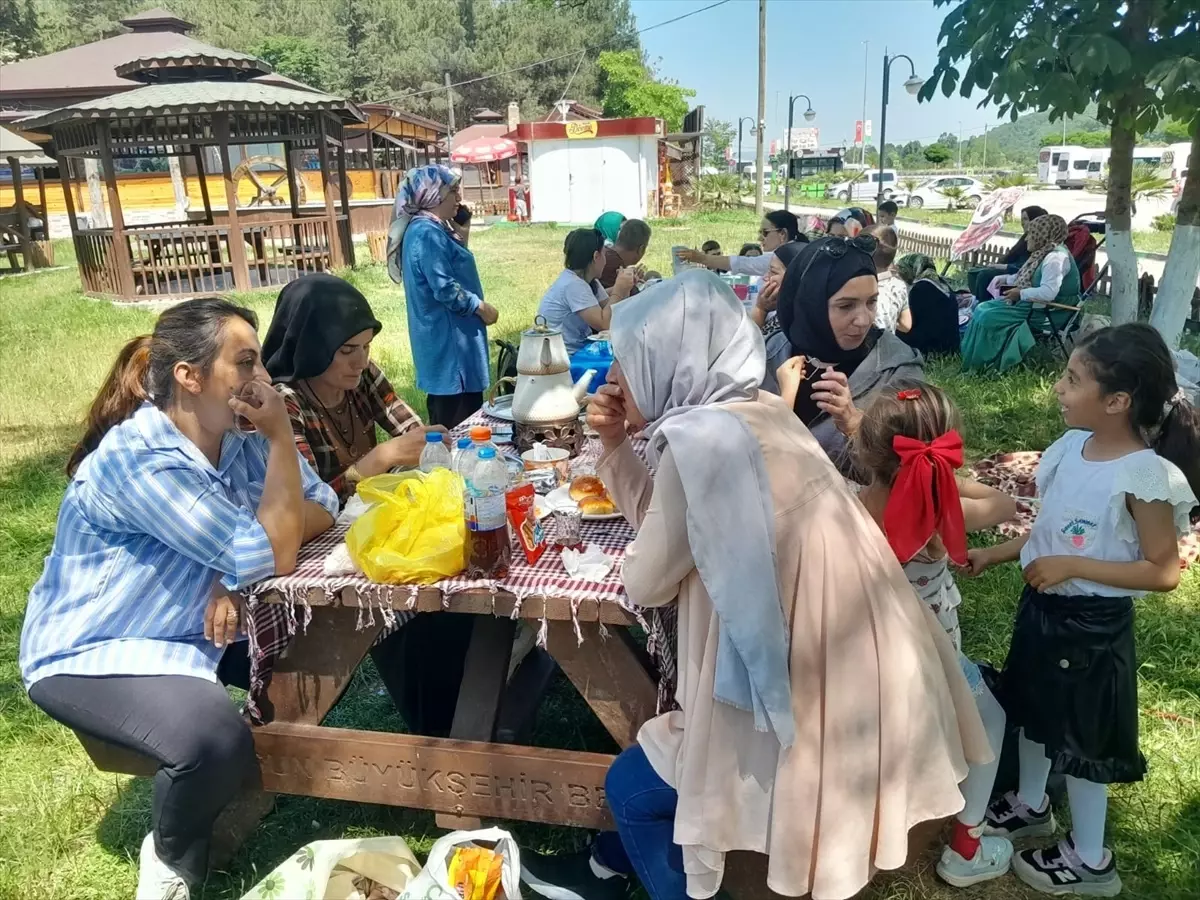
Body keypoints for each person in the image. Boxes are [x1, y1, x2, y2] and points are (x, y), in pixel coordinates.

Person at [520, 270, 991, 900]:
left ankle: (637, 876)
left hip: (799, 695)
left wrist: (616, 448)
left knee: (631, 790)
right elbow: (680, 524)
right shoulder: (760, 410)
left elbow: (649, 579)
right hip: (864, 670)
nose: (612, 379)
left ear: (670, 362)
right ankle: (611, 867)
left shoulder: (703, 442)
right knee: (655, 788)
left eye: (626, 362)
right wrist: (614, 444)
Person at [20, 299, 339, 900]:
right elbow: (276, 549)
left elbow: (323, 505)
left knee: (328, 638)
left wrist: (234, 570)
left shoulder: (235, 437)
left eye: (262, 364)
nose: (262, 383)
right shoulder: (142, 460)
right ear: (189, 377)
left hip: (192, 631)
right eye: (245, 364)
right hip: (96, 650)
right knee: (211, 741)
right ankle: (172, 863)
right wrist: (279, 448)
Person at [970, 324, 1200, 896]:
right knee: (1030, 708)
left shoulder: (1145, 476)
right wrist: (997, 552)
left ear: (1117, 402)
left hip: (1093, 631)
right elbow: (1052, 531)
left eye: (1072, 380)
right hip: (1043, 611)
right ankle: (1030, 802)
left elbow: (1163, 571)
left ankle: (1092, 860)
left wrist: (1075, 570)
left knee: (1082, 743)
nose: (1057, 388)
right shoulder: (1070, 447)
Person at [853, 382, 1020, 888]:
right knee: (988, 720)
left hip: (869, 653)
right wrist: (953, 482)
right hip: (934, 654)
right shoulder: (950, 512)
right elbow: (1007, 504)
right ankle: (966, 846)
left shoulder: (851, 508)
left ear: (868, 452)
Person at [263, 274, 445, 506]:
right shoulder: (285, 403)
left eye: (366, 347)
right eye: (347, 351)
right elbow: (308, 504)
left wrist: (429, 443)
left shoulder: (364, 375)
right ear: (311, 348)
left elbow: (411, 430)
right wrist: (382, 457)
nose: (360, 362)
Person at [769, 235, 925, 478]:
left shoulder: (897, 368)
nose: (863, 320)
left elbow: (909, 472)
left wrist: (855, 425)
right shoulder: (773, 352)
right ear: (810, 304)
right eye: (846, 306)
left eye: (871, 302)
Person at [391, 164, 499, 429]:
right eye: (453, 191)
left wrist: (462, 232)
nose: (459, 199)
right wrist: (482, 308)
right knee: (458, 429)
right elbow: (446, 289)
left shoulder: (432, 229)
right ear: (433, 195)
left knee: (458, 424)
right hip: (451, 352)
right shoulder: (427, 233)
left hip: (450, 347)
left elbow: (450, 266)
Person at [960, 214, 1081, 374]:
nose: (1026, 239)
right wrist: (1005, 278)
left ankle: (988, 365)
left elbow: (1048, 292)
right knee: (982, 308)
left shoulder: (1055, 258)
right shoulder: (1045, 252)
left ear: (1043, 235)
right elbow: (1031, 277)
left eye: (1031, 234)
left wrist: (1020, 293)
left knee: (987, 316)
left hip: (1050, 311)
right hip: (1036, 305)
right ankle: (973, 358)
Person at [538, 228, 637, 353]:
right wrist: (618, 289)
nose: (605, 261)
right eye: (604, 255)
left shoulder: (589, 281)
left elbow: (611, 310)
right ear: (596, 256)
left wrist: (625, 288)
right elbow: (604, 324)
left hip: (578, 351)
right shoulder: (573, 285)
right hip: (562, 357)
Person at [675, 209, 801, 278]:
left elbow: (740, 263)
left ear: (783, 234)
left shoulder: (780, 258)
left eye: (765, 232)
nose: (760, 238)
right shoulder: (800, 249)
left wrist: (700, 258)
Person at [969, 205, 1049, 303]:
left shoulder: (1040, 240)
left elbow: (1025, 265)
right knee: (973, 272)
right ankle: (976, 299)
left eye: (1026, 219)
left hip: (1017, 271)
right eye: (1022, 219)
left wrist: (1002, 266)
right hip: (1013, 270)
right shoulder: (1025, 237)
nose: (1023, 223)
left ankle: (982, 303)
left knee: (984, 275)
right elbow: (1012, 255)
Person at [748, 238, 806, 340]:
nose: (765, 277)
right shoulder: (784, 311)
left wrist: (760, 309)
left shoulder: (790, 325)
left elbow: (747, 346)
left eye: (773, 272)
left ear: (794, 278)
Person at [866, 224, 912, 333]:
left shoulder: (859, 285)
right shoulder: (899, 285)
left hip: (864, 347)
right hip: (889, 346)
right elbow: (906, 326)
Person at [599, 218, 652, 293]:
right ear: (641, 249)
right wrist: (633, 285)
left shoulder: (606, 253)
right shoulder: (615, 266)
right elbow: (626, 300)